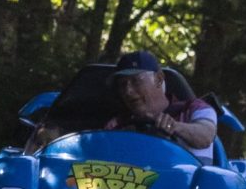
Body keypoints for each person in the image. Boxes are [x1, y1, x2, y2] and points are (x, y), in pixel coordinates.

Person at [83, 51, 221, 161]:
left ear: (159, 79)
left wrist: (174, 127)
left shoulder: (194, 108)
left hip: (188, 184)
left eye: (136, 81)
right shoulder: (118, 124)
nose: (128, 91)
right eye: (122, 85)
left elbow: (206, 136)